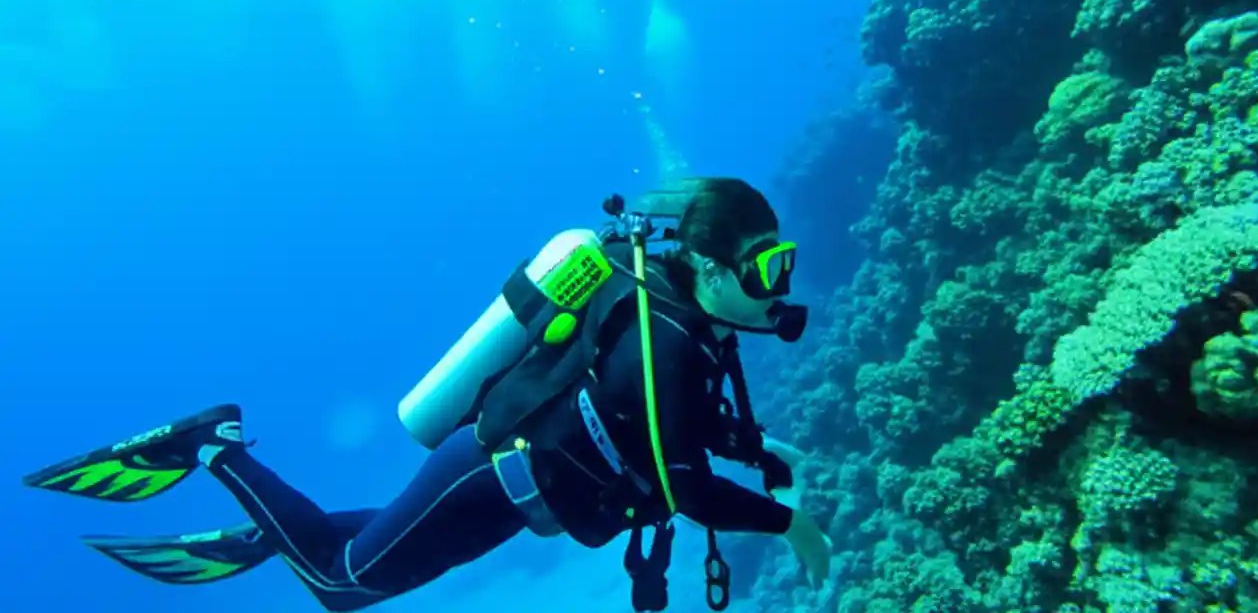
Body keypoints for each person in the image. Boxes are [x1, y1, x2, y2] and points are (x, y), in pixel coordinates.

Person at [23, 177, 833, 612]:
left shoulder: (686, 320)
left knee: (384, 559)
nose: (778, 287)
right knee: (343, 586)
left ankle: (276, 531)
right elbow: (684, 486)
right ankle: (213, 446)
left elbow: (663, 427)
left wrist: (759, 449)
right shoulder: (668, 339)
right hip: (494, 468)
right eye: (766, 269)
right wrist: (795, 528)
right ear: (713, 267)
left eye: (783, 262)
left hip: (523, 493)